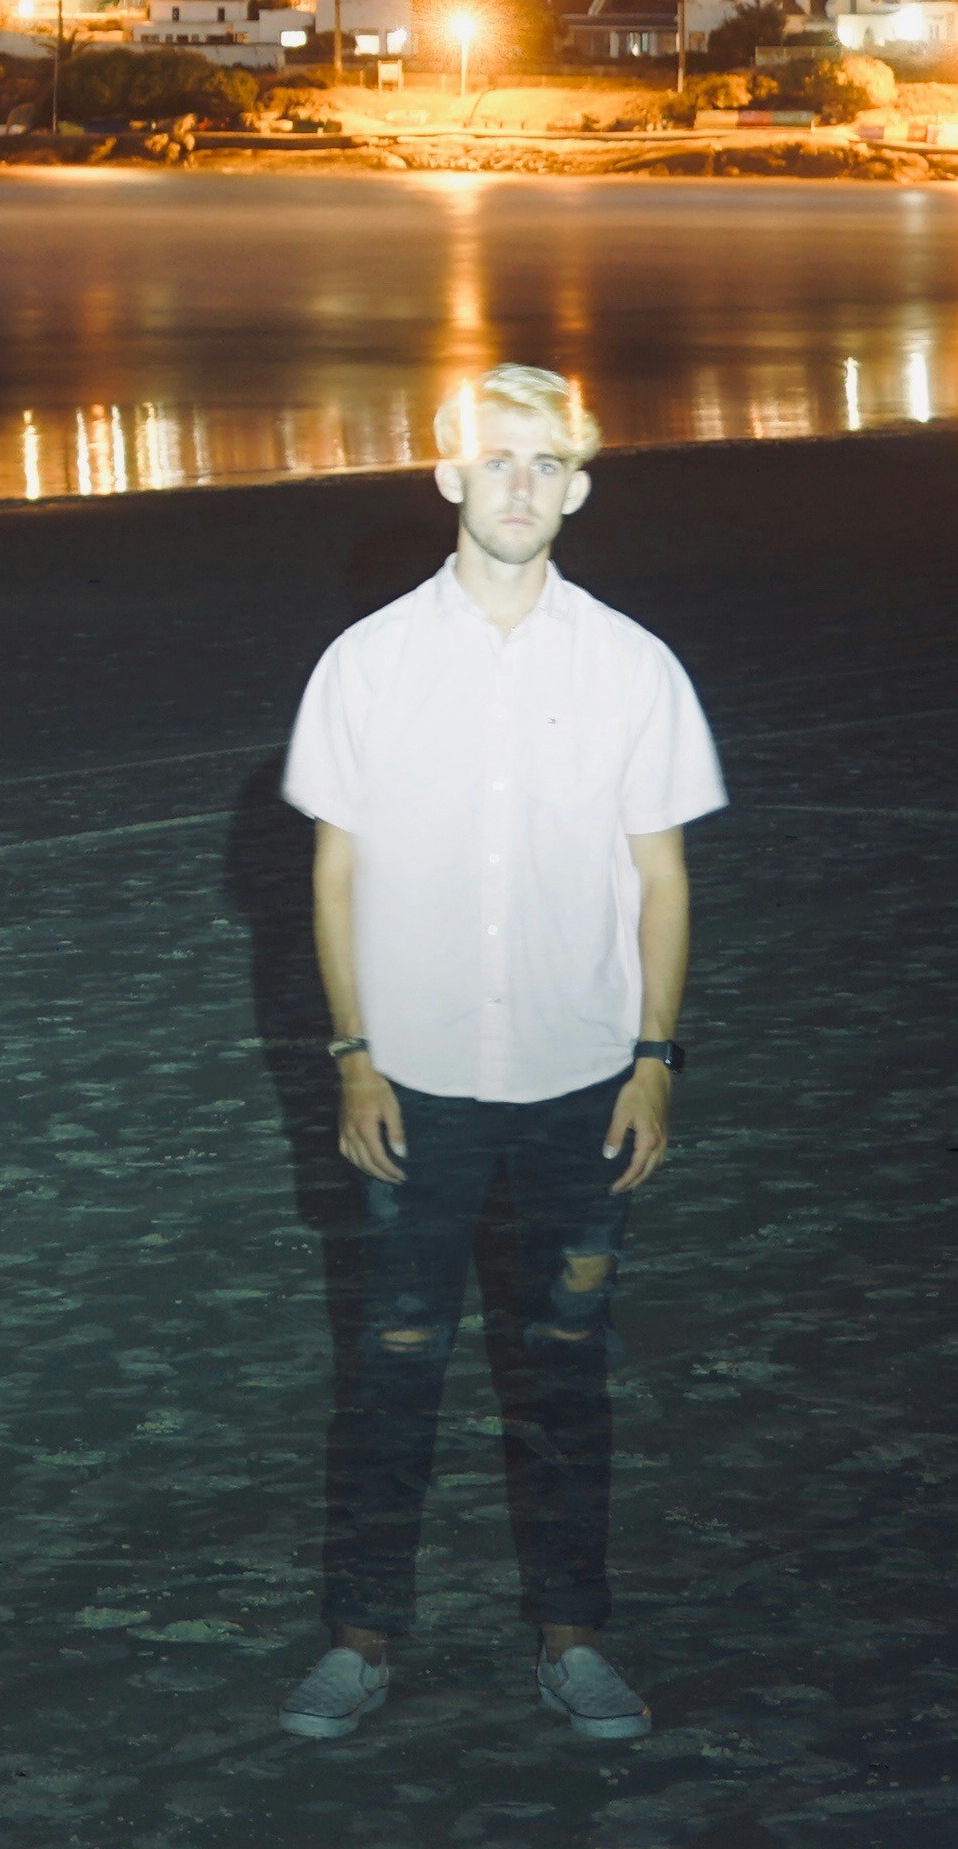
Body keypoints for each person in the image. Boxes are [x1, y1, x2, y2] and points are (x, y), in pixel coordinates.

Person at [272, 360, 723, 1746]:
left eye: (547, 463)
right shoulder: (368, 664)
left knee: (568, 1364)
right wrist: (352, 1055)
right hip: (410, 1079)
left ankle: (572, 1637)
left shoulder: (631, 665)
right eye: (496, 459)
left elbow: (662, 882)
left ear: (577, 488)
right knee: (394, 1362)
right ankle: (360, 1640)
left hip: (582, 1080)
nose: (519, 485)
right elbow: (332, 877)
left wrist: (655, 1057)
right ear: (448, 474)